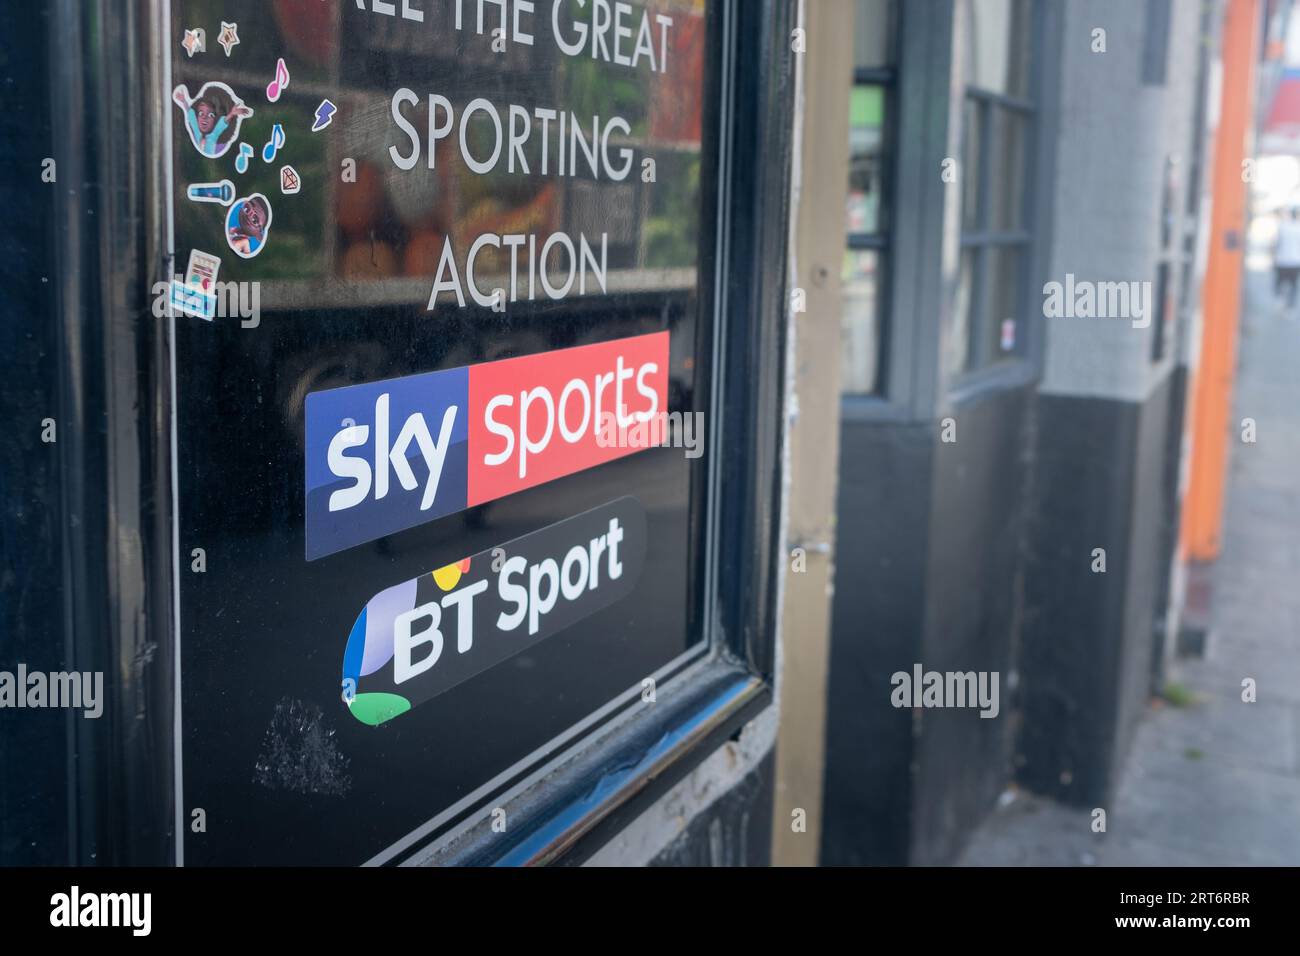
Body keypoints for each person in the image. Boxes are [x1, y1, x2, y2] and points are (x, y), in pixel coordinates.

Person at [173, 83, 252, 158]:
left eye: (210, 115)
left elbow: (221, 125)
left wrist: (231, 114)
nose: (204, 118)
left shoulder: (213, 136)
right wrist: (184, 101)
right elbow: (191, 116)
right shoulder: (197, 131)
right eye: (201, 113)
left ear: (215, 120)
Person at [1274, 206, 1300, 311]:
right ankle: (1289, 306)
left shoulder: (1283, 226)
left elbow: (1277, 243)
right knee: (1293, 284)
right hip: (1295, 261)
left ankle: (1279, 300)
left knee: (1280, 282)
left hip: (1282, 259)